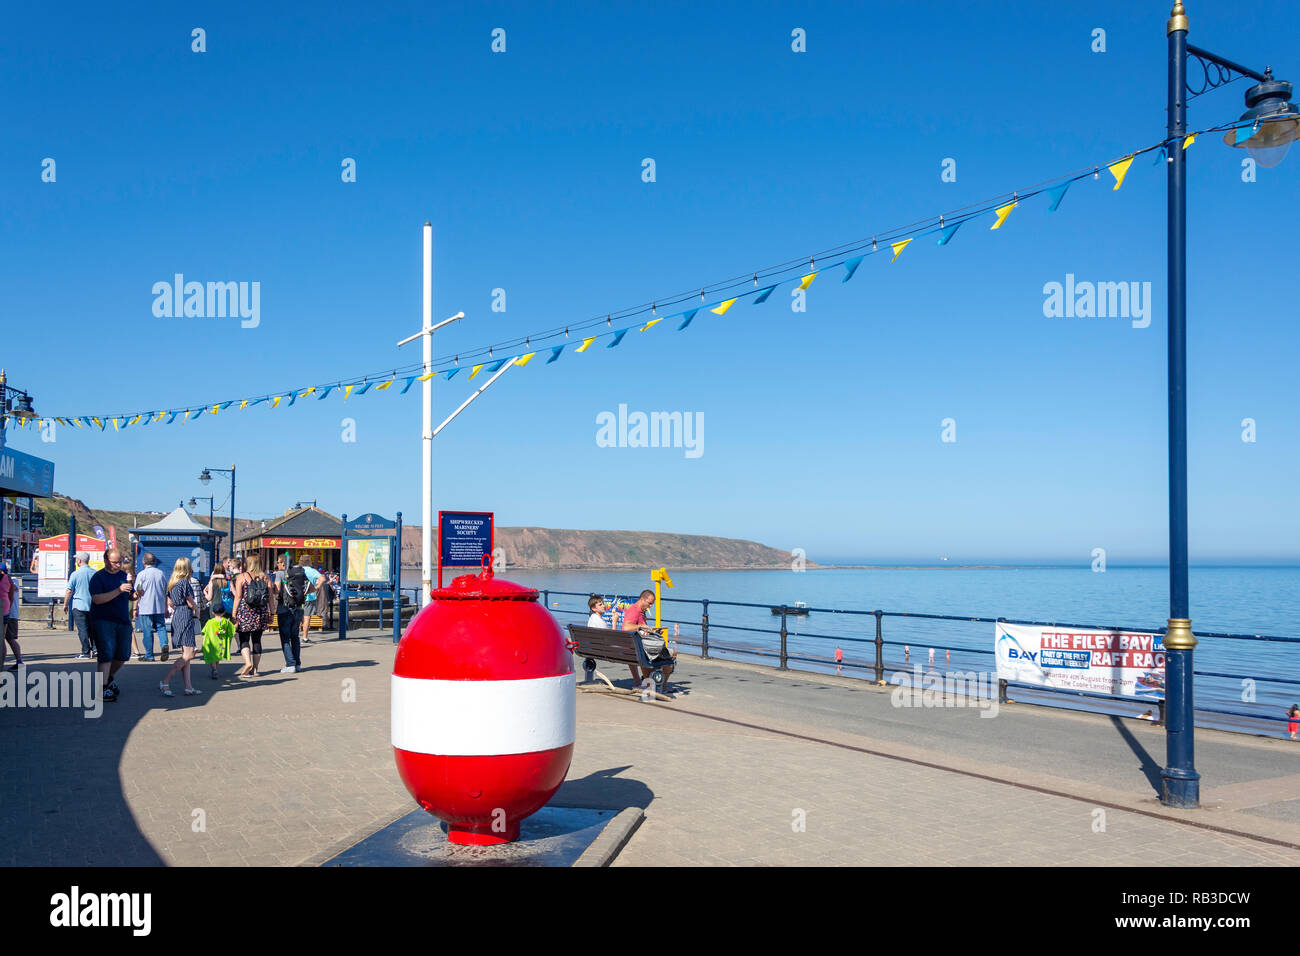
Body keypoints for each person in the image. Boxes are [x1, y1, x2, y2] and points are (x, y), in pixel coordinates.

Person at [89, 548, 135, 703]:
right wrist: (118, 590)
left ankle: (107, 679)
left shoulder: (123, 576)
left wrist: (137, 594)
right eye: (115, 562)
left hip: (122, 620)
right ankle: (100, 690)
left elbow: (130, 595)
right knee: (106, 655)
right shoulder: (98, 577)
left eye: (120, 561)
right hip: (103, 620)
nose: (118, 565)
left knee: (123, 655)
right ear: (106, 561)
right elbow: (97, 599)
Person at [158, 558, 201, 697]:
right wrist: (196, 608)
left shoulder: (172, 583)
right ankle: (165, 681)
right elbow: (190, 603)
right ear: (187, 568)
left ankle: (188, 687)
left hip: (177, 615)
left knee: (186, 655)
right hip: (185, 616)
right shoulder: (185, 583)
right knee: (189, 654)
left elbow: (169, 603)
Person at [622, 589, 675, 690]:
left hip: (635, 648)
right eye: (650, 603)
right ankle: (662, 687)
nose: (651, 606)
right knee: (670, 658)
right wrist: (642, 626)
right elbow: (626, 627)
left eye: (652, 604)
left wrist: (653, 632)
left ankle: (648, 683)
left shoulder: (639, 611)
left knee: (649, 654)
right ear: (642, 599)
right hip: (639, 650)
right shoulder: (635, 610)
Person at [231, 554, 273, 678]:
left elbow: (238, 597)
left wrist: (234, 614)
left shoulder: (241, 577)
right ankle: (255, 669)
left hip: (245, 612)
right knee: (257, 640)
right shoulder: (266, 578)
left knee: (244, 639)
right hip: (261, 612)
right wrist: (272, 612)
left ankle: (247, 663)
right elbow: (270, 597)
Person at [273, 554, 308, 674]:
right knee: (295, 637)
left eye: (278, 562)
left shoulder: (280, 573)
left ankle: (290, 664)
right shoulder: (299, 573)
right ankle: (297, 664)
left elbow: (277, 590)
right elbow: (312, 588)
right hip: (298, 608)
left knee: (285, 638)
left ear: (283, 563)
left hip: (284, 608)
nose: (277, 564)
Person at [133, 552, 169, 663]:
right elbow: (165, 591)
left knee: (147, 631)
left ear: (144, 562)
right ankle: (164, 644)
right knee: (161, 627)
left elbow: (138, 590)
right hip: (159, 605)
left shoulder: (142, 575)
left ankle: (149, 655)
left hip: (145, 607)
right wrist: (166, 607)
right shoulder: (161, 574)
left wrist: (135, 607)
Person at [64, 552, 95, 660]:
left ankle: (85, 652)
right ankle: (96, 650)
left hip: (79, 605)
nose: (76, 561)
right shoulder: (94, 573)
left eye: (77, 559)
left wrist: (65, 604)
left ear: (80, 561)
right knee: (93, 629)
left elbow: (69, 591)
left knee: (83, 630)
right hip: (93, 605)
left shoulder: (75, 574)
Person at [201, 602, 235, 679]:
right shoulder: (226, 622)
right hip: (221, 643)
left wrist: (204, 642)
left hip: (212, 643)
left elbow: (204, 632)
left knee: (212, 657)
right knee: (217, 658)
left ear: (213, 613)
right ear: (223, 613)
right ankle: (216, 669)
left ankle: (214, 669)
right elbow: (232, 630)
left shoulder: (210, 622)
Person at [0, 563, 22, 671]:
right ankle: (19, 661)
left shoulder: (11, 581)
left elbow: (11, 595)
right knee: (9, 639)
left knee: (9, 639)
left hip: (10, 614)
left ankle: (19, 662)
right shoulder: (11, 580)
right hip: (10, 613)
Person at [297, 557, 322, 648]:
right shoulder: (312, 571)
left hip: (298, 597)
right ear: (309, 562)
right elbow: (322, 579)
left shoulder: (298, 569)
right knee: (307, 617)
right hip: (310, 597)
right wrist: (317, 587)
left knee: (298, 616)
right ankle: (305, 637)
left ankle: (295, 636)